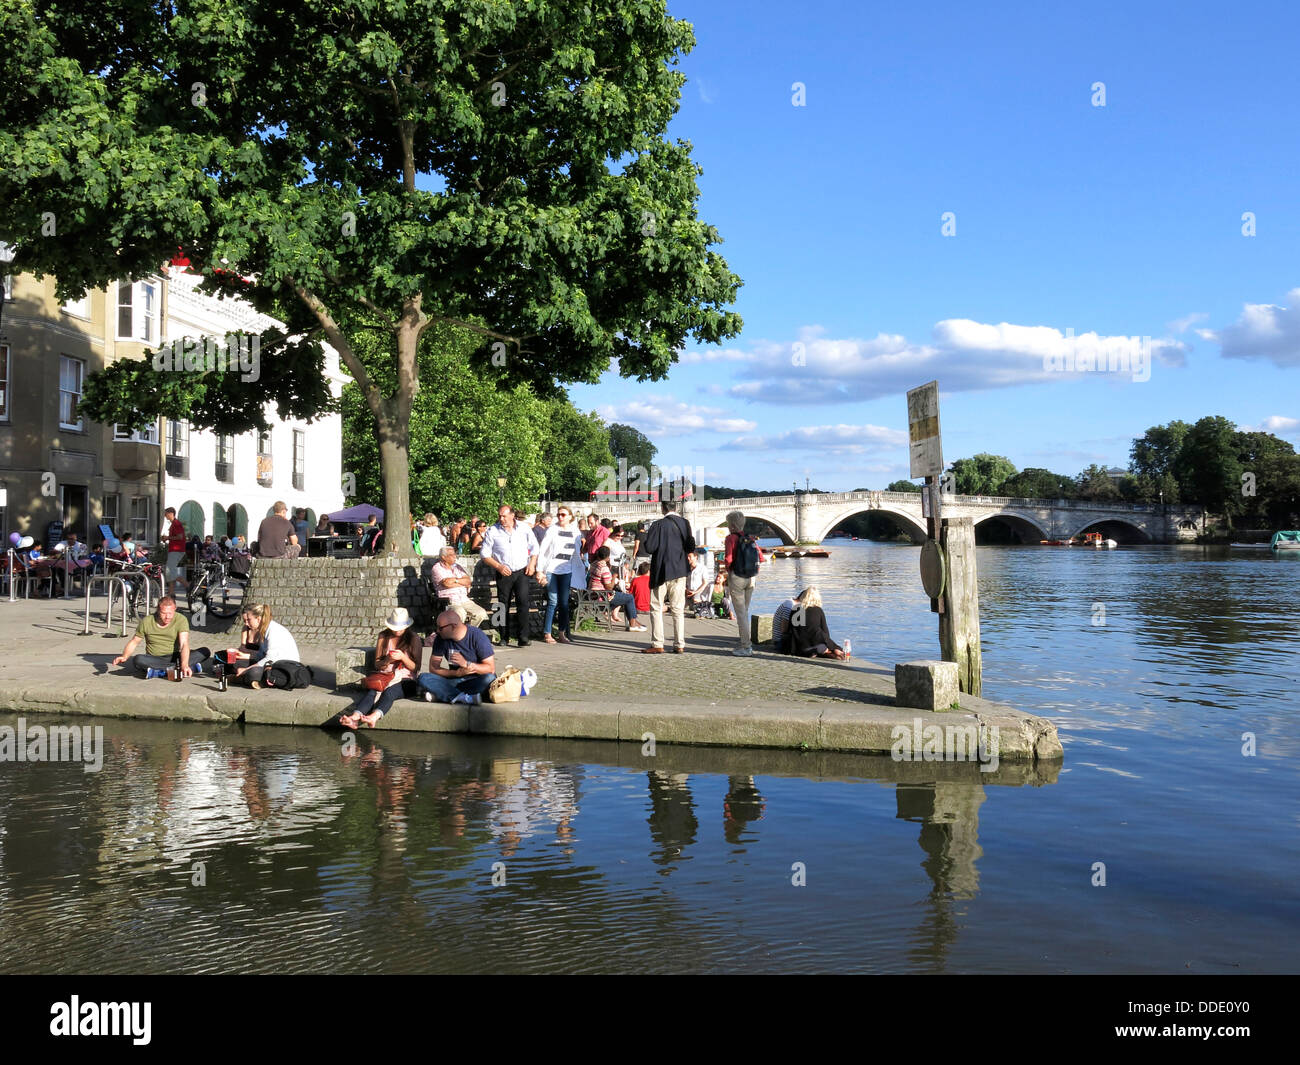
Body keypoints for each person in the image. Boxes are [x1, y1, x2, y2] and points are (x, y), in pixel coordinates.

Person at [339, 607, 424, 728]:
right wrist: (388, 659)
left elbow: (416, 667)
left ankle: (373, 717)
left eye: (400, 628)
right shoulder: (383, 636)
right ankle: (355, 717)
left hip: (406, 679)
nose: (397, 631)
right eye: (395, 628)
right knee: (373, 692)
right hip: (385, 675)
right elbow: (377, 664)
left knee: (390, 693)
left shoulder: (414, 639)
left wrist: (402, 658)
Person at [639, 498, 695, 654]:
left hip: (661, 571)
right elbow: (690, 546)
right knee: (677, 609)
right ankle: (679, 644)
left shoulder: (657, 525)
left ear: (662, 508)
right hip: (680, 570)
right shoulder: (685, 523)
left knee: (656, 607)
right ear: (676, 508)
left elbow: (650, 548)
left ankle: (658, 643)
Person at [480, 505, 538, 646]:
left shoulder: (524, 528)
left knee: (523, 602)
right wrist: (498, 566)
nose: (502, 519)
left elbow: (535, 547)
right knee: (501, 605)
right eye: (500, 516)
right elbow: (484, 554)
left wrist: (532, 564)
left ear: (512, 515)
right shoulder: (493, 531)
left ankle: (523, 637)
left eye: (504, 516)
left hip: (521, 570)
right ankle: (503, 636)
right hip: (503, 571)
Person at [112, 596, 210, 678]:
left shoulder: (181, 619)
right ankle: (182, 669)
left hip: (175, 657)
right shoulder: (147, 621)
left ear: (175, 609)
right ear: (158, 610)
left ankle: (161, 671)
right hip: (154, 658)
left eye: (170, 613)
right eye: (164, 613)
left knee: (205, 651)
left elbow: (184, 644)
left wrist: (184, 664)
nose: (167, 617)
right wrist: (124, 656)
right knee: (138, 660)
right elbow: (134, 642)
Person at [417, 609, 497, 705]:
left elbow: (490, 669)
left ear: (453, 626)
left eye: (440, 628)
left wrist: (466, 664)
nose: (437, 631)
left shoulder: (477, 636)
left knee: (489, 679)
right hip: (455, 679)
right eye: (437, 627)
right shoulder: (440, 638)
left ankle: (443, 694)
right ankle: (462, 697)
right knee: (423, 677)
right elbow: (433, 668)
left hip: (475, 679)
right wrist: (456, 673)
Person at [215, 603, 303, 686]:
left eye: (248, 620)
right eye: (245, 621)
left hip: (285, 667)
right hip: (270, 664)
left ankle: (247, 679)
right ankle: (250, 680)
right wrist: (244, 656)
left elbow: (270, 659)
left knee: (253, 672)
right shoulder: (263, 630)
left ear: (258, 619)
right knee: (236, 664)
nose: (246, 624)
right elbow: (260, 656)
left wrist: (245, 670)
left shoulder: (273, 631)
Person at [535, 505, 586, 644]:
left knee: (564, 603)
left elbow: (577, 552)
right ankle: (547, 633)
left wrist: (580, 569)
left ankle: (562, 633)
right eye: (558, 515)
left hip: (567, 570)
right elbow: (543, 549)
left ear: (570, 517)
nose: (560, 517)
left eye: (563, 515)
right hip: (552, 569)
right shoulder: (552, 529)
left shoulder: (575, 531)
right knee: (553, 601)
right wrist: (540, 570)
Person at [723, 510, 764, 657]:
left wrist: (729, 572)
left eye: (728, 524)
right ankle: (744, 642)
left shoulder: (730, 538)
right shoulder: (750, 538)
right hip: (751, 577)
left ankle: (746, 647)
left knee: (740, 614)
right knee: (744, 612)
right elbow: (761, 558)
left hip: (737, 577)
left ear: (732, 525)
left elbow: (728, 559)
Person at [589, 545, 646, 632]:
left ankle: (633, 621)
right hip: (601, 596)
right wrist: (614, 576)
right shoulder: (603, 568)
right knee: (629, 598)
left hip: (592, 594)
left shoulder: (593, 564)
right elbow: (609, 587)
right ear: (608, 557)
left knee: (624, 597)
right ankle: (633, 623)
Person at [431, 545, 489, 627]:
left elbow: (468, 581)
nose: (455, 556)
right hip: (449, 601)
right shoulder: (437, 568)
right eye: (452, 555)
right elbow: (446, 583)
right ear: (444, 557)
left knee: (480, 613)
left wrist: (455, 580)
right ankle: (457, 635)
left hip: (464, 599)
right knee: (460, 613)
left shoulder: (457, 567)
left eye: (455, 554)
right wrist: (461, 582)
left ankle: (467, 633)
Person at [786, 586, 848, 659]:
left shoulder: (795, 609)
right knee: (823, 646)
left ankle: (819, 652)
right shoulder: (818, 610)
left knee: (817, 643)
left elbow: (791, 629)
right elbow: (825, 633)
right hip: (812, 646)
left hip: (796, 648)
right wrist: (834, 647)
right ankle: (833, 652)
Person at [161, 506, 189, 598]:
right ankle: (171, 592)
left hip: (176, 550)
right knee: (170, 571)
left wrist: (167, 538)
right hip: (175, 550)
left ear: (170, 514)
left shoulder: (176, 523)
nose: (165, 516)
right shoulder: (174, 524)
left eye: (166, 514)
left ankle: (187, 585)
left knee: (170, 571)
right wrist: (167, 539)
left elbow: (180, 537)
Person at [687, 548, 713, 618]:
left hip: (698, 592)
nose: (688, 558)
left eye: (690, 557)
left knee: (696, 601)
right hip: (688, 592)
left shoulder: (702, 568)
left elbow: (705, 583)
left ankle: (700, 609)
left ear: (695, 557)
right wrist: (686, 590)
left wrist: (695, 592)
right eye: (687, 557)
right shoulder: (686, 568)